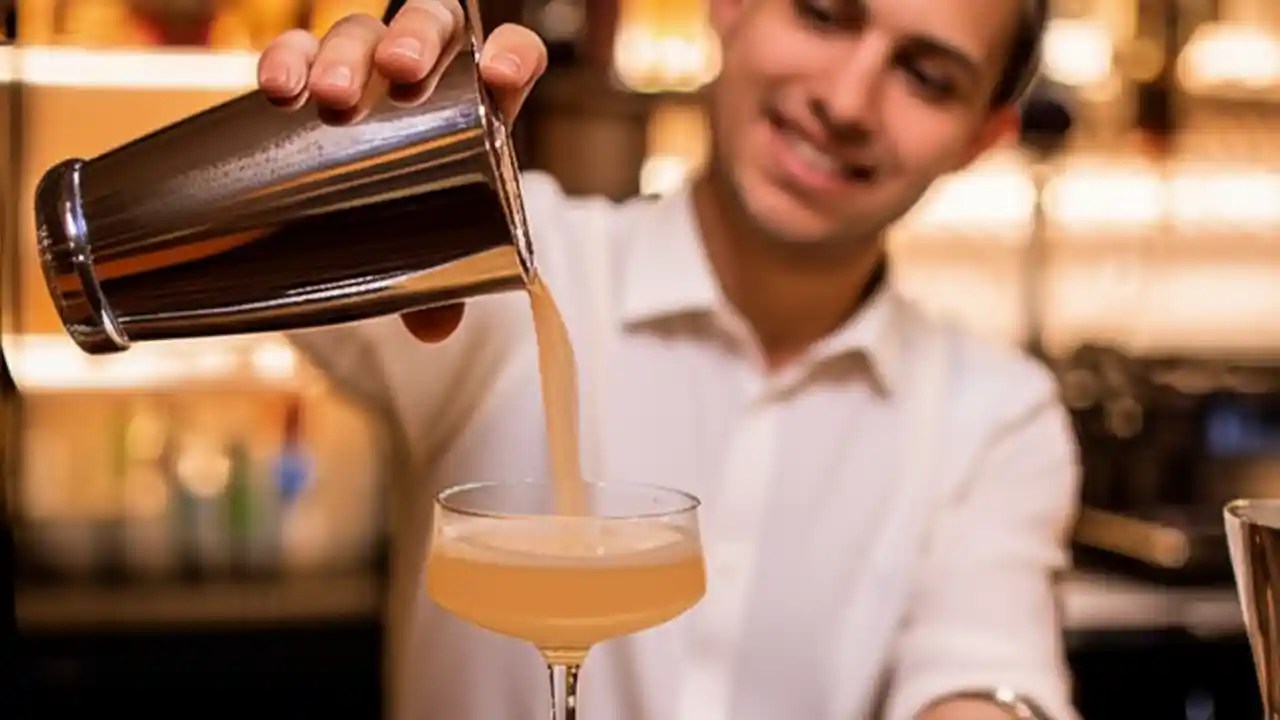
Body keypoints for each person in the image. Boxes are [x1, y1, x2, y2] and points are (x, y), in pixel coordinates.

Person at [256, 0, 1082, 718]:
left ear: (982, 138)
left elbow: (986, 666)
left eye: (927, 76)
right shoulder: (510, 265)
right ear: (732, 5)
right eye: (824, 14)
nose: (846, 99)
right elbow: (267, 242)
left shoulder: (996, 414)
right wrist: (320, 140)